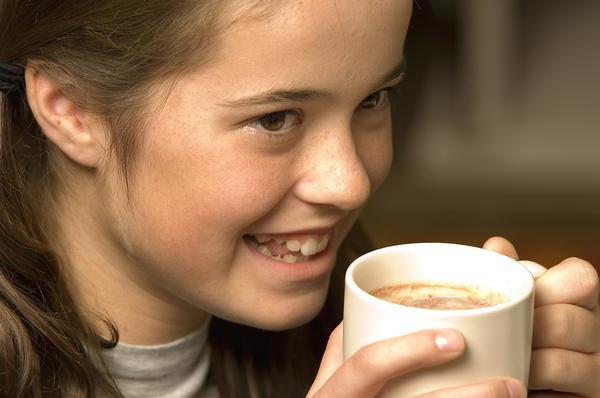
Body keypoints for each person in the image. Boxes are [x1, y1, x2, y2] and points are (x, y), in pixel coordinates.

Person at [0, 1, 598, 397]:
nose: (351, 183)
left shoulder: (337, 328)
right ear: (71, 111)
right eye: (276, 118)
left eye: (373, 99)